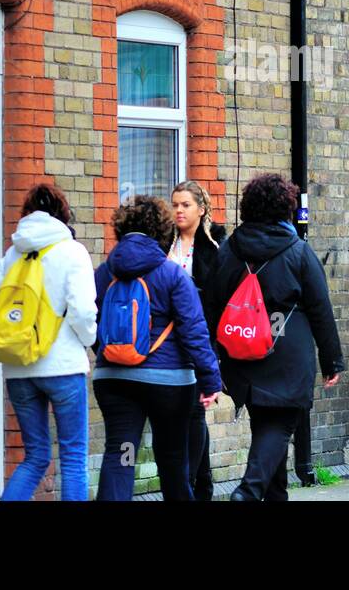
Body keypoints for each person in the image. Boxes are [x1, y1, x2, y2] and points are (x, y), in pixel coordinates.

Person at [203, 173, 345, 501]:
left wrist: (211, 357)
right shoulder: (298, 251)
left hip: (241, 351)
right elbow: (321, 308)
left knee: (266, 429)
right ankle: (248, 491)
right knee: (279, 428)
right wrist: (331, 359)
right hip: (287, 353)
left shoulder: (229, 250)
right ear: (287, 207)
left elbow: (210, 305)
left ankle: (271, 495)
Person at [93, 195, 222, 500]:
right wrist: (210, 380)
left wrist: (107, 353)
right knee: (172, 460)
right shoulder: (172, 273)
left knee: (120, 456)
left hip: (114, 380)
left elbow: (90, 320)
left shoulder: (103, 272)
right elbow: (194, 330)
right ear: (162, 232)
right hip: (168, 383)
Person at [0, 183, 97, 501]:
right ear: (62, 214)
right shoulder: (72, 251)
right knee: (73, 458)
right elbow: (82, 311)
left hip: (19, 369)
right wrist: (89, 341)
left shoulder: (11, 254)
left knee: (35, 457)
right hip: (63, 368)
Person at [168, 180, 228, 501]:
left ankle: (189, 486)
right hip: (167, 340)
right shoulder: (166, 242)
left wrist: (215, 350)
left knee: (193, 409)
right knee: (190, 412)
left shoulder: (215, 245)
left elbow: (222, 298)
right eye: (175, 204)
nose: (178, 210)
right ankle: (202, 487)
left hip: (201, 338)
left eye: (185, 205)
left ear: (201, 209)